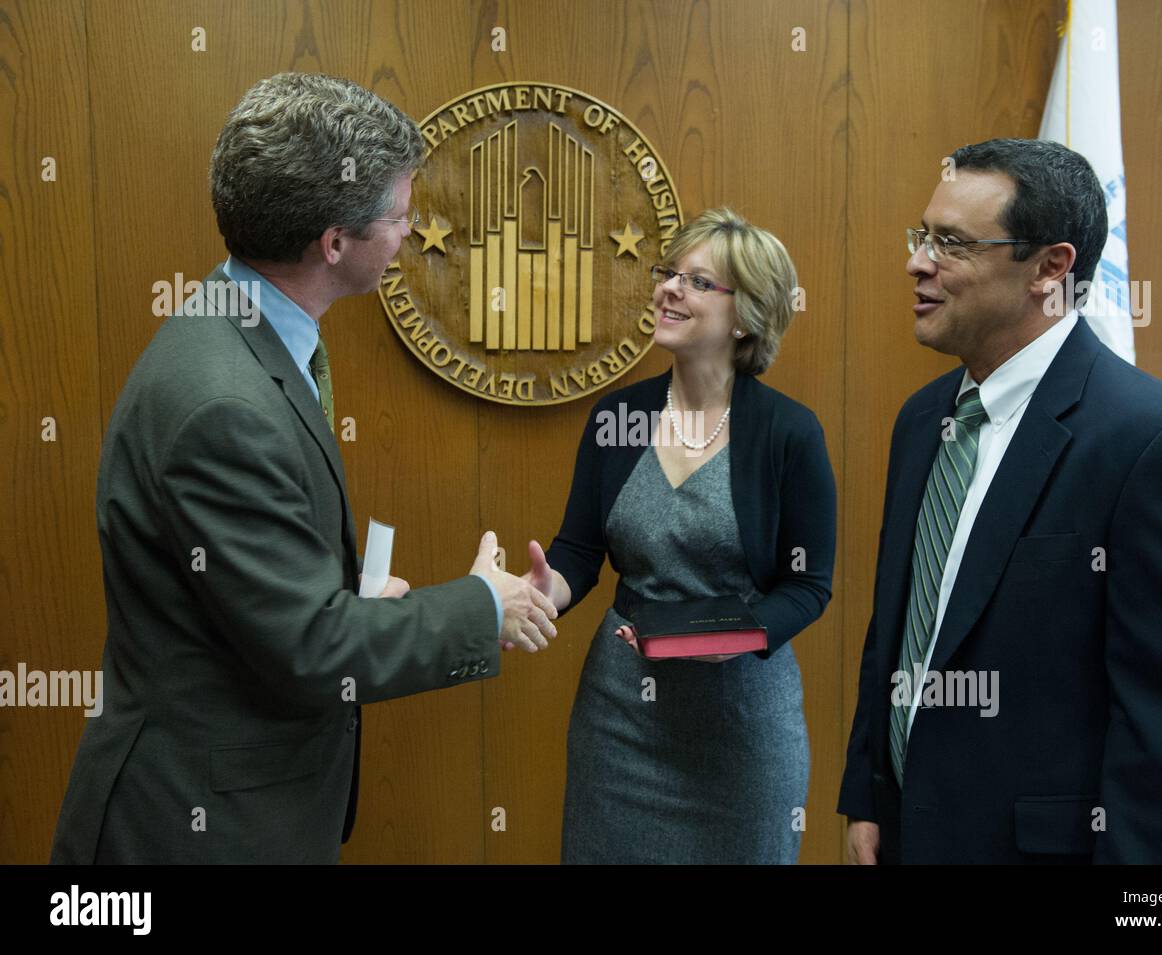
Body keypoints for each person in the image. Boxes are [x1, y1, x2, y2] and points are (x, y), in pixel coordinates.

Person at [50, 73, 556, 864]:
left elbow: (253, 601)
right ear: (333, 242)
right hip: (199, 826)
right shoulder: (226, 403)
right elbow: (311, 650)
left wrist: (343, 600)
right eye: (399, 214)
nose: (412, 232)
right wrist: (480, 607)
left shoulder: (241, 331)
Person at [838, 138, 1162, 864]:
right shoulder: (922, 418)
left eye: (952, 243)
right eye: (922, 235)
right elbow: (903, 628)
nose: (917, 261)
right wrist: (870, 797)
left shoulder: (1159, 444)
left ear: (1051, 269)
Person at [519, 208, 836, 863]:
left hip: (743, 725)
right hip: (622, 722)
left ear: (745, 315)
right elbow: (580, 552)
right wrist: (540, 590)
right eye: (669, 273)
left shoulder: (788, 432)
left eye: (697, 282)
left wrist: (739, 635)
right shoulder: (619, 416)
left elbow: (808, 583)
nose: (668, 288)